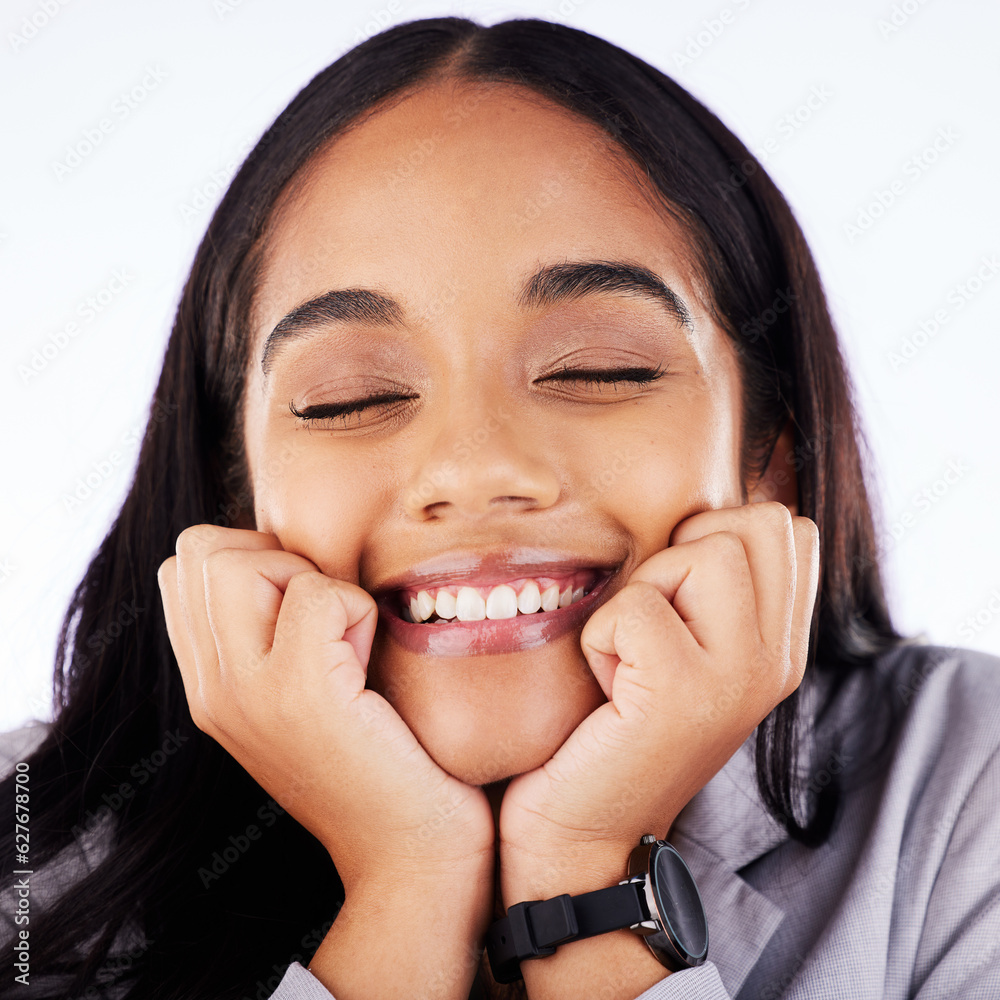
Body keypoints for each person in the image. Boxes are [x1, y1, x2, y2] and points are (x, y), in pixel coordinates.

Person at [2, 15, 998, 1000]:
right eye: (352, 396)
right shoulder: (21, 847)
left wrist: (590, 877)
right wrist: (405, 883)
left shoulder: (967, 780)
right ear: (235, 487)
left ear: (767, 457)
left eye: (598, 369)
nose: (474, 468)